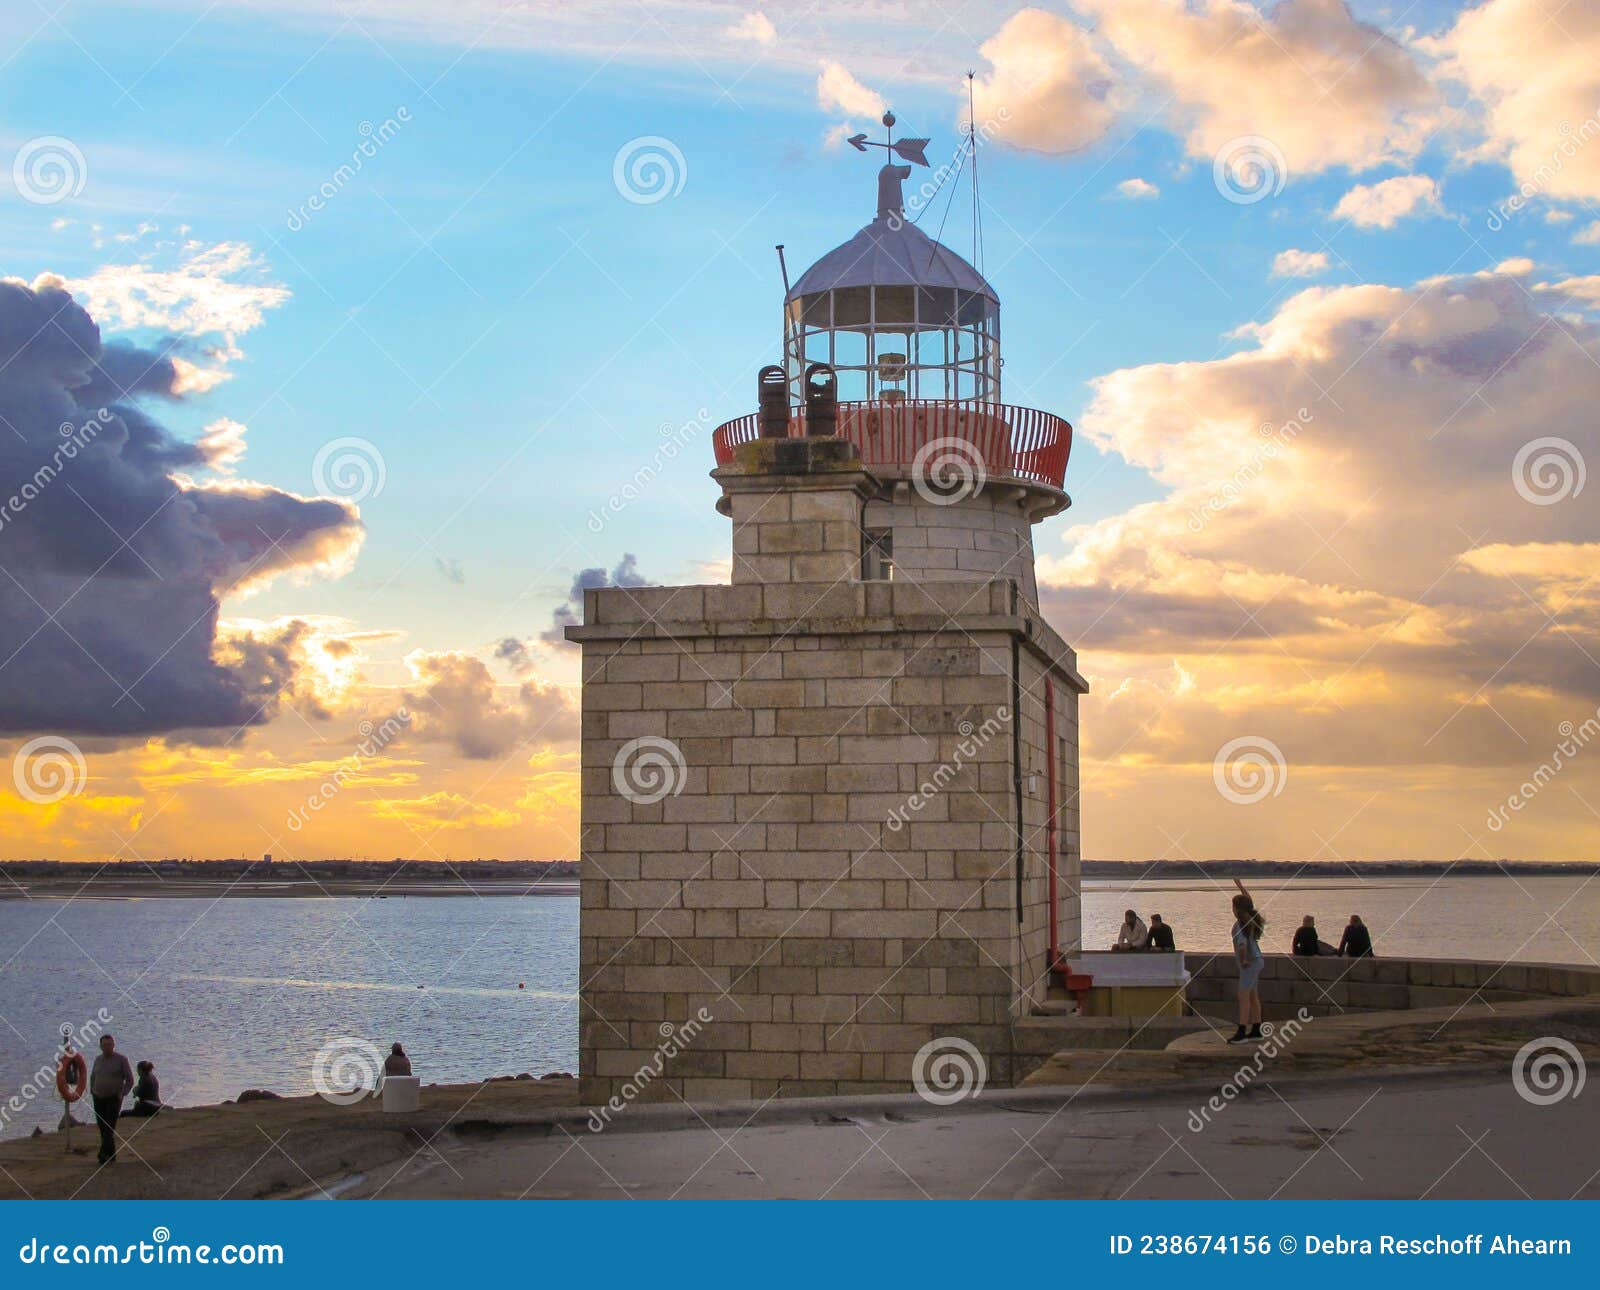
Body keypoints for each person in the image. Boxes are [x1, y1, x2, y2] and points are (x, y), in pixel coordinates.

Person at [1228, 878, 1266, 1043]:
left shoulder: (1240, 925)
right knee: (1253, 996)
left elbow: (1242, 946)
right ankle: (1257, 1030)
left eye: (1233, 906)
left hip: (1249, 964)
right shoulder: (1251, 918)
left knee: (1243, 996)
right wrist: (1240, 886)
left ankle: (1242, 1032)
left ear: (1236, 909)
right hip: (1258, 960)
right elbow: (1249, 902)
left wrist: (1243, 961)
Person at [90, 1034, 134, 1164]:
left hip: (113, 1098)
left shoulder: (121, 1060)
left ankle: (102, 1155)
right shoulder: (98, 1060)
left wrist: (123, 1093)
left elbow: (130, 1079)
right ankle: (111, 1154)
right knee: (102, 1126)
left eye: (109, 1045)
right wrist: (92, 1090)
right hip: (98, 1097)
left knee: (109, 1126)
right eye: (104, 1045)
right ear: (100, 1046)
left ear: (113, 1045)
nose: (107, 1047)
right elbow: (93, 1076)